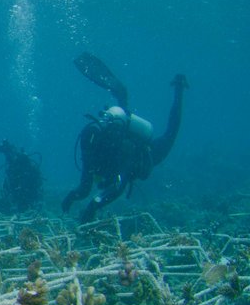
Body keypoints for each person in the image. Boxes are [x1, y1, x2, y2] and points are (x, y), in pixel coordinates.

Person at [61, 55, 187, 222]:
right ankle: (128, 96)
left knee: (170, 134)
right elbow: (85, 188)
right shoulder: (90, 144)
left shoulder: (121, 147)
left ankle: (178, 89)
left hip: (145, 157)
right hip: (117, 151)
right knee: (170, 133)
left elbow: (118, 186)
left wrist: (93, 206)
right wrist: (72, 197)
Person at [0, 139, 43, 213]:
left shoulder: (20, 168)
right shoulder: (18, 167)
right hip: (23, 201)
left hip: (25, 201)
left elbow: (36, 187)